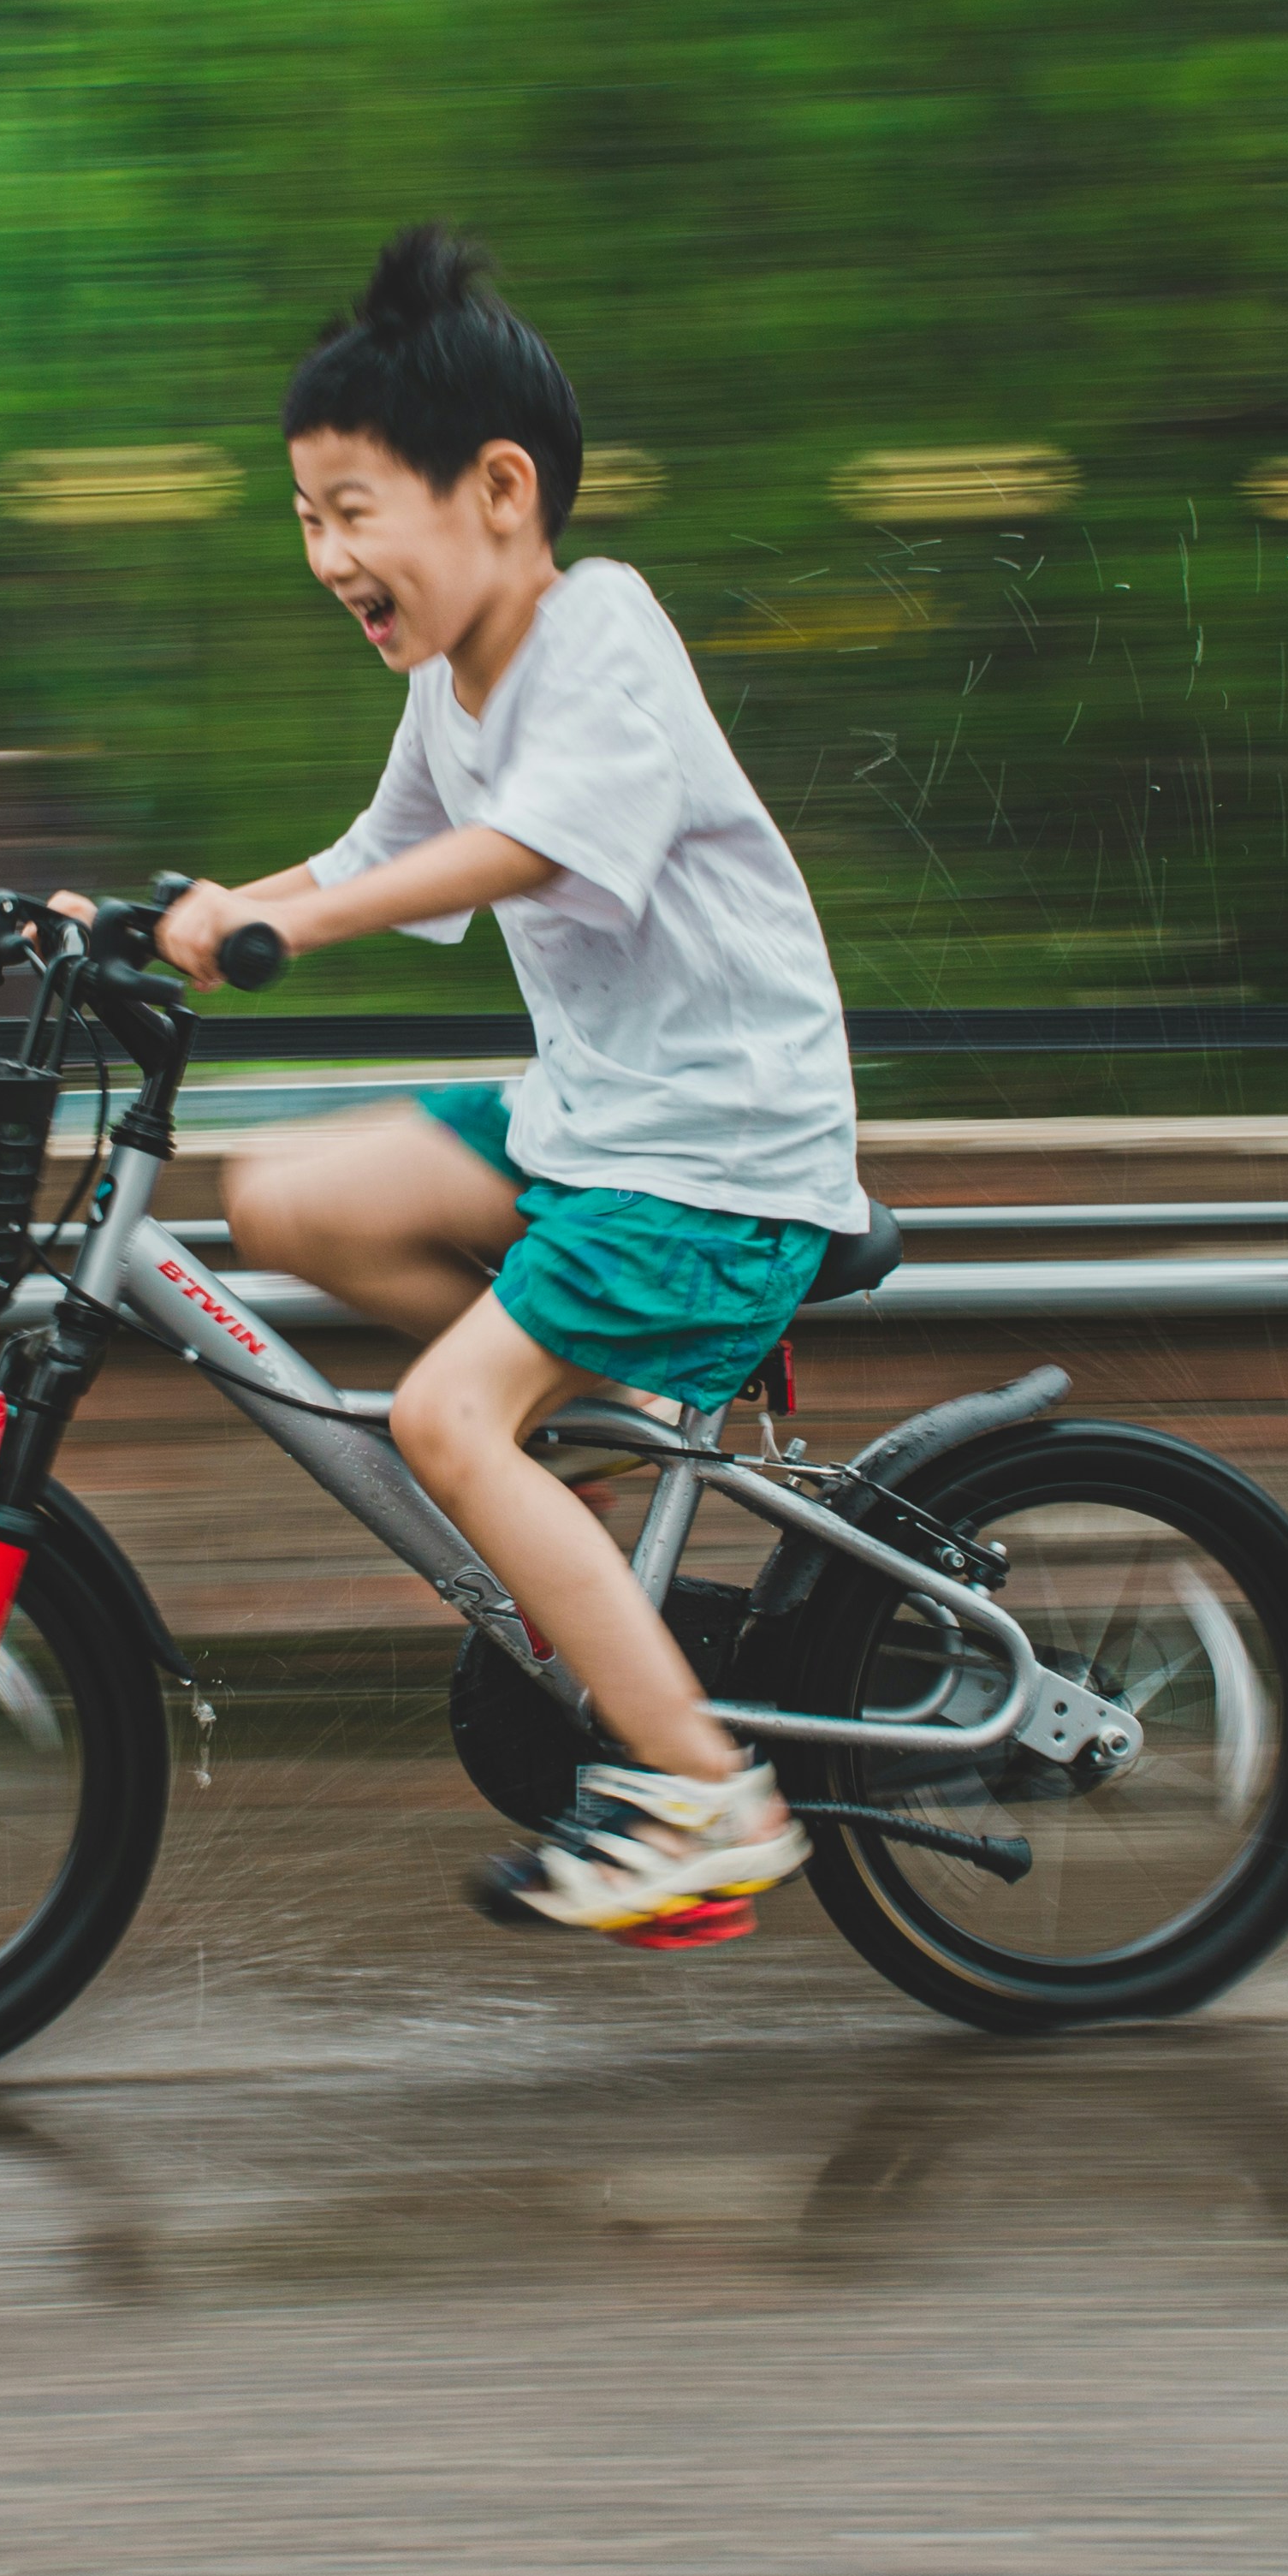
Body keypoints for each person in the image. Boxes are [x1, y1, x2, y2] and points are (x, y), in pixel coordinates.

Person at [154, 225, 867, 1948]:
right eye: (306, 513)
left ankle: (708, 1800)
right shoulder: (450, 679)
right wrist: (199, 907)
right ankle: (573, 1474)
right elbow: (375, 848)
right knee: (285, 1197)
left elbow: (531, 849)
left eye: (349, 508)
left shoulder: (600, 630)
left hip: (716, 1157)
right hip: (596, 1124)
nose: (322, 551)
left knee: (441, 1420)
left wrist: (294, 933)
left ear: (496, 489)